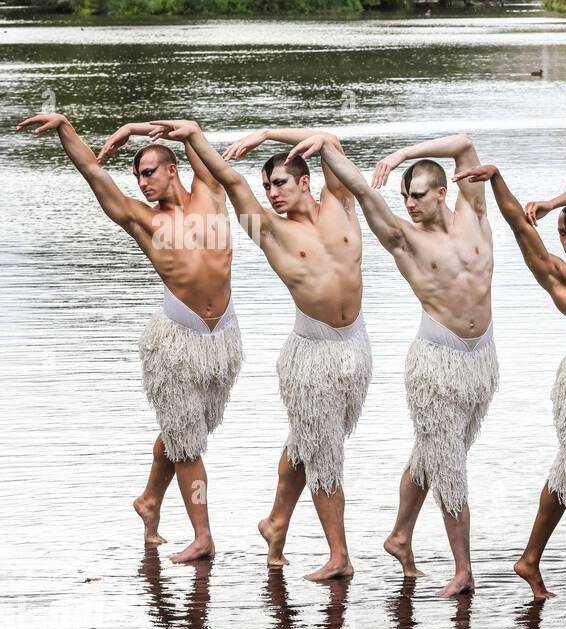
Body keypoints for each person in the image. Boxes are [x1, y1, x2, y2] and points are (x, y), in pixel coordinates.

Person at [150, 120, 371, 581]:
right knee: (325, 451)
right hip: (310, 356)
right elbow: (230, 179)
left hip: (356, 347)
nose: (271, 192)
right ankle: (339, 555)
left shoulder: (341, 201)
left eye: (280, 182)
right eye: (267, 185)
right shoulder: (266, 228)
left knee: (308, 441)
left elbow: (330, 143)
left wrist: (271, 134)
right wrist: (193, 137)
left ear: (305, 181)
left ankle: (275, 523)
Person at [17, 113, 241, 563]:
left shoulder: (211, 193)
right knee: (187, 441)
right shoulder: (141, 220)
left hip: (222, 340)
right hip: (175, 341)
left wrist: (135, 128)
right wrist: (65, 127)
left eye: (149, 172)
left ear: (173, 169)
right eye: (138, 176)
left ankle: (149, 501)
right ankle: (203, 536)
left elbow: (191, 128)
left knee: (184, 433)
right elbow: (94, 172)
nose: (142, 183)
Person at [290, 132, 497, 593]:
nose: (409, 203)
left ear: (443, 193)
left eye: (418, 194)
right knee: (449, 465)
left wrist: (406, 152)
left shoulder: (476, 214)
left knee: (436, 455)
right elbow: (364, 191)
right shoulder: (404, 238)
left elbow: (464, 144)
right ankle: (463, 569)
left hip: (481, 361)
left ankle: (400, 536)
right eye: (404, 196)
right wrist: (326, 148)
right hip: (436, 365)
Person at [455, 163, 566, 616]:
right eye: (560, 234)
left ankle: (529, 560)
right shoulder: (560, 274)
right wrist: (498, 180)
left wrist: (554, 200)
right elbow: (520, 226)